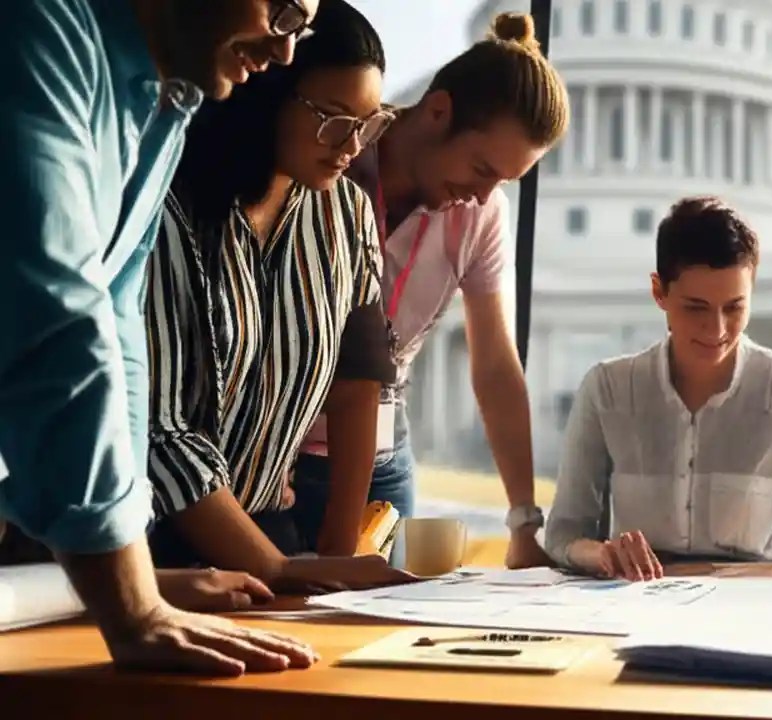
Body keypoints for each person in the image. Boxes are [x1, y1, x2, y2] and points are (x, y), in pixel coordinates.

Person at [0, 0, 322, 675]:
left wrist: (137, 572)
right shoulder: (34, 25)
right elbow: (56, 314)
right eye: (284, 9)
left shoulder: (166, 109)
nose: (286, 52)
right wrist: (133, 605)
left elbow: (119, 328)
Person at [144, 0, 411, 592]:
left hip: (274, 531)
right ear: (270, 91)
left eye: (369, 125)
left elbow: (356, 384)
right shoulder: (167, 201)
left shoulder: (345, 212)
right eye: (333, 120)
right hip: (154, 544)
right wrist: (280, 569)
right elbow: (159, 430)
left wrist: (335, 555)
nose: (351, 146)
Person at [291, 11, 570, 569]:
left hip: (384, 460)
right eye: (481, 168)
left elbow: (495, 363)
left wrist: (522, 520)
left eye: (503, 183)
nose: (482, 195)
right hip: (281, 456)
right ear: (438, 111)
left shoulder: (484, 211)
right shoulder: (330, 159)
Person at [544, 196, 772, 581]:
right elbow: (564, 533)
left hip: (752, 606)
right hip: (631, 599)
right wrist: (601, 553)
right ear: (659, 293)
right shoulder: (608, 388)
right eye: (696, 308)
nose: (717, 330)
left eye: (734, 307)